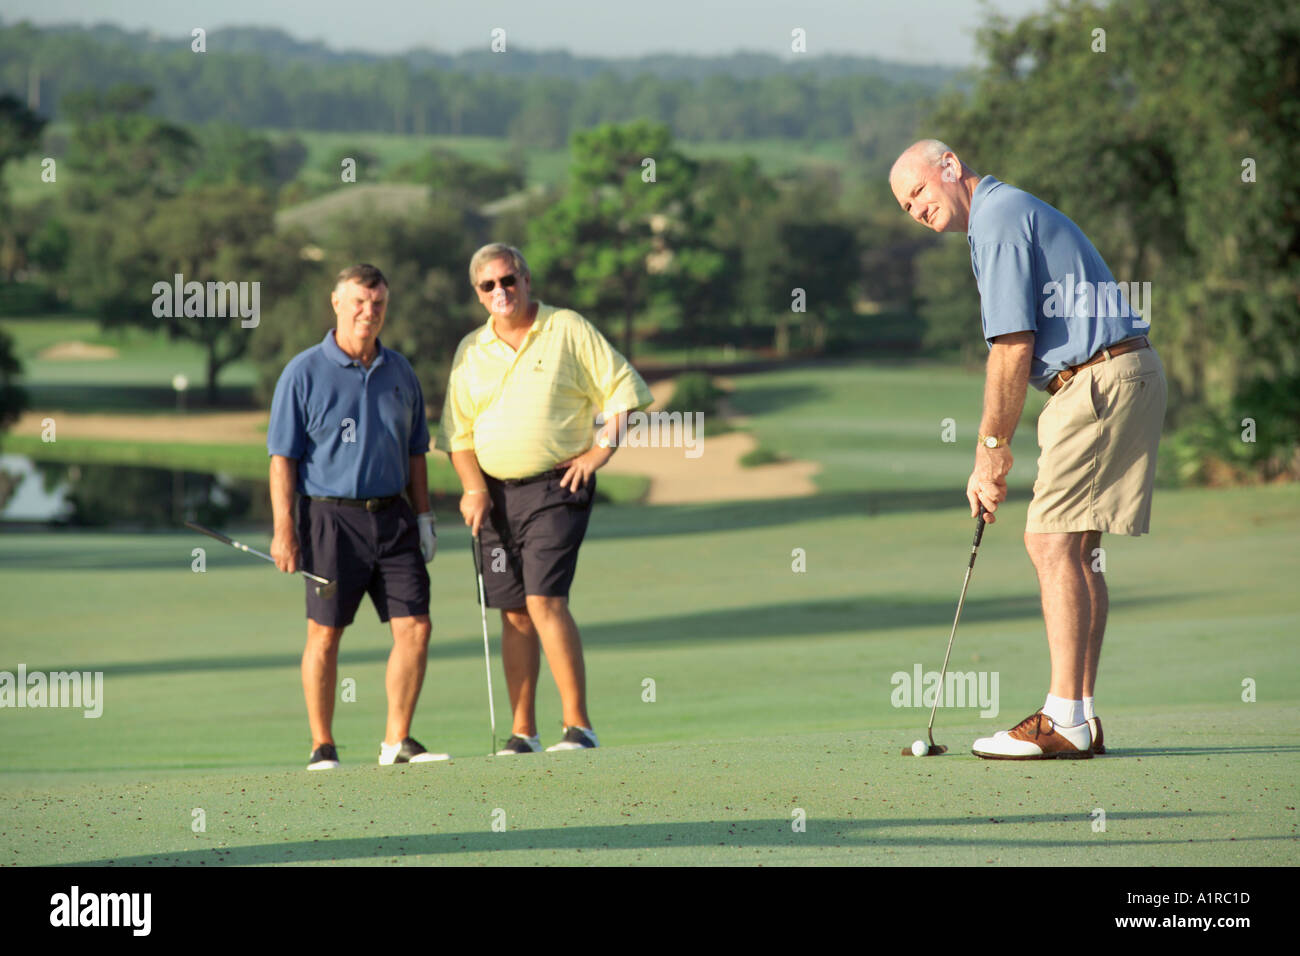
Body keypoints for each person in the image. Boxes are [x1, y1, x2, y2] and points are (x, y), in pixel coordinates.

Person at [889, 140, 1168, 759]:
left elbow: (1011, 346)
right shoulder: (1004, 213)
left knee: (1049, 540)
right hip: (1115, 374)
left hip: (1096, 379)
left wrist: (991, 452)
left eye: (919, 192)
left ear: (951, 167)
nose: (915, 209)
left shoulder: (997, 218)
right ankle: (1081, 717)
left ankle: (1063, 718)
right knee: (1077, 546)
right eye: (906, 205)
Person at [437, 243, 652, 754]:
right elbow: (457, 434)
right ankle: (522, 732)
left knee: (544, 599)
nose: (500, 291)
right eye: (488, 285)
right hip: (492, 497)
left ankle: (578, 727)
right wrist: (471, 488)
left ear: (526, 279)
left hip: (557, 488)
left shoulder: (567, 328)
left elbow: (623, 390)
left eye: (508, 280)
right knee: (513, 611)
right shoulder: (470, 349)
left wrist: (598, 454)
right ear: (477, 293)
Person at [267, 263, 446, 771]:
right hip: (329, 521)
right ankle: (323, 745)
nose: (369, 312)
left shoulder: (400, 372)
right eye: (359, 302)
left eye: (379, 304)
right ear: (337, 303)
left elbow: (416, 451)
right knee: (324, 634)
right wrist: (285, 531)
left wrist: (426, 517)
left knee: (416, 627)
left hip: (394, 518)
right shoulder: (303, 372)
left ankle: (397, 742)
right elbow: (282, 458)